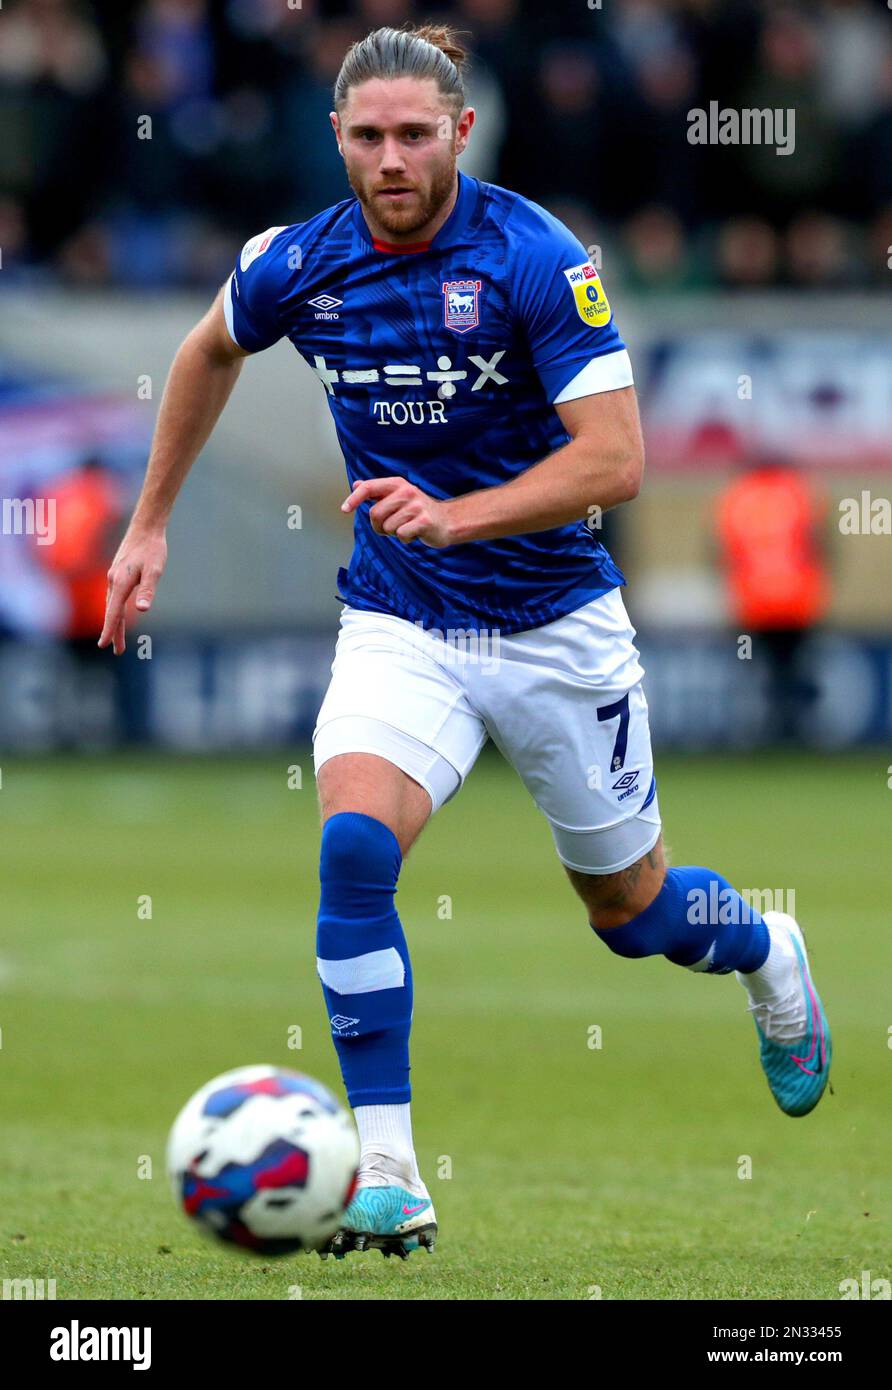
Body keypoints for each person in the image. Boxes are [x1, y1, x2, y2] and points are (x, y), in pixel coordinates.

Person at [99, 23, 832, 1261]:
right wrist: (149, 523)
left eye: (414, 134)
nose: (391, 158)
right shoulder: (301, 261)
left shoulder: (536, 257)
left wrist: (457, 513)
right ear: (337, 136)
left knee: (632, 915)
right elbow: (205, 349)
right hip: (401, 619)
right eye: (369, 136)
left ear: (461, 132)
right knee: (350, 849)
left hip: (556, 627)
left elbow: (618, 460)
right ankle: (387, 1170)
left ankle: (770, 947)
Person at [716, 456, 829, 744]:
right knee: (796, 670)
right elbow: (820, 544)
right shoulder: (798, 492)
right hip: (798, 602)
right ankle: (798, 732)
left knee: (759, 672)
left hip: (754, 604)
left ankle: (764, 733)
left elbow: (724, 553)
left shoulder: (738, 496)